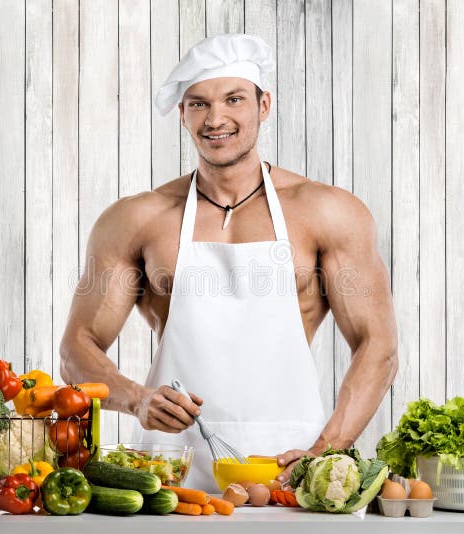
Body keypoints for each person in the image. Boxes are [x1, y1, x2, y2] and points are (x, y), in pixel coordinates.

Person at [60, 33, 398, 491]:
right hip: (168, 473)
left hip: (289, 470)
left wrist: (326, 450)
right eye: (198, 104)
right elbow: (77, 346)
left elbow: (378, 345)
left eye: (233, 99)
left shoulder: (329, 212)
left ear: (264, 105)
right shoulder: (136, 219)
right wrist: (136, 400)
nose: (215, 119)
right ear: (182, 114)